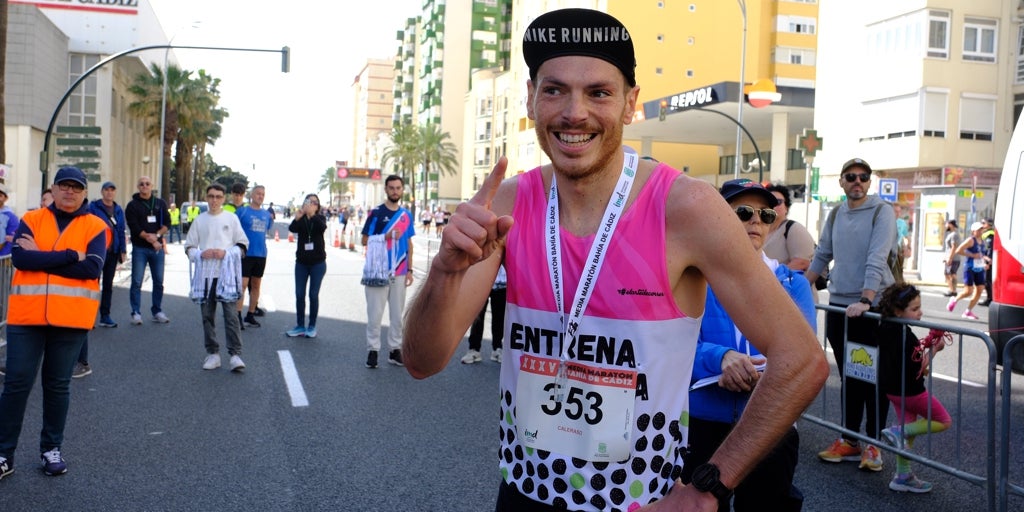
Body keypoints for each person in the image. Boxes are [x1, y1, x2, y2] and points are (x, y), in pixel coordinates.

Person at [401, 9, 828, 510]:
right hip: (525, 494)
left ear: (630, 104)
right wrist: (444, 274)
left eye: (598, 93)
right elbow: (421, 362)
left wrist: (711, 485)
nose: (574, 112)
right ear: (531, 100)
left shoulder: (684, 208)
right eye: (554, 90)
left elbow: (801, 362)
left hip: (641, 500)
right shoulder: (508, 205)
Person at [682, 179, 814, 511]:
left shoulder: (792, 283)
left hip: (769, 421)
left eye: (766, 214)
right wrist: (720, 358)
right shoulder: (691, 278)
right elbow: (673, 347)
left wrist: (753, 372)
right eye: (743, 212)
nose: (756, 221)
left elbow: (803, 356)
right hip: (701, 420)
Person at [0, 166, 108, 480]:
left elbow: (92, 268)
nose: (69, 192)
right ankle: (4, 453)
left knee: (57, 386)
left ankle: (51, 450)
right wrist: (68, 255)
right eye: (64, 186)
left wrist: (45, 257)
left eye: (76, 187)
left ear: (85, 192)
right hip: (27, 316)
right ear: (54, 188)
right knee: (17, 383)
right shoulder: (32, 219)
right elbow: (21, 259)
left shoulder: (96, 226)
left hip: (71, 320)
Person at [805, 157, 897, 472]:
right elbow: (822, 254)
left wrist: (867, 299)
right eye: (851, 177)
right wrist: (801, 289)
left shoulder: (881, 212)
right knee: (851, 376)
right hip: (841, 306)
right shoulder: (836, 213)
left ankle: (874, 444)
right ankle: (849, 440)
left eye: (863, 177)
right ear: (842, 182)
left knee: (872, 378)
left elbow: (877, 255)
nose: (857, 181)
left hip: (870, 307)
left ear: (869, 182)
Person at [876, 283, 952, 493]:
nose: (921, 312)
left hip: (893, 390)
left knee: (906, 438)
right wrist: (935, 348)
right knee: (943, 421)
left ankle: (902, 476)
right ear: (899, 311)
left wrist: (924, 347)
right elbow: (920, 365)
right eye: (915, 309)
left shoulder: (885, 325)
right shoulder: (906, 336)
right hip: (912, 392)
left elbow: (908, 358)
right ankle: (897, 431)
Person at [185, 183, 249, 372]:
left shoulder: (232, 218)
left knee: (231, 316)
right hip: (205, 276)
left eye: (218, 197)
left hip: (227, 275)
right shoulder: (199, 220)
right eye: (211, 196)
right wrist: (199, 254)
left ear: (223, 199)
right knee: (207, 316)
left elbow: (243, 244)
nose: (214, 200)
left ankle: (235, 355)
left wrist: (226, 253)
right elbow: (189, 246)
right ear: (206, 197)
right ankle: (213, 353)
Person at [360, 175, 415, 369]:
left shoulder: (406, 215)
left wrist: (409, 269)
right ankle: (373, 350)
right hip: (378, 270)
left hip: (399, 271)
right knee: (375, 314)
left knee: (397, 315)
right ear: (386, 189)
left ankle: (394, 350)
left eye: (398, 188)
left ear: (402, 190)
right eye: (391, 188)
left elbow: (409, 243)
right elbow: (365, 240)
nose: (395, 191)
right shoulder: (375, 213)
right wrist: (387, 236)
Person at [125, 176, 171, 325]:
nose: (144, 186)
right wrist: (152, 240)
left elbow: (167, 223)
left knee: (159, 281)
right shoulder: (132, 205)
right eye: (141, 184)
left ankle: (157, 311)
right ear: (138, 187)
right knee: (136, 282)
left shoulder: (160, 203)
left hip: (157, 250)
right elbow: (134, 226)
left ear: (152, 186)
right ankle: (136, 313)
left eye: (147, 184)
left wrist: (157, 236)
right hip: (140, 248)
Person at [286, 194, 327, 338]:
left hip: (318, 263)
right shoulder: (301, 219)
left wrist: (312, 214)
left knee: (313, 295)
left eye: (313, 203)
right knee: (299, 294)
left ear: (317, 205)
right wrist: (297, 217)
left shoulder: (320, 218)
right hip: (302, 263)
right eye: (307, 202)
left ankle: (311, 326)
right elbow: (292, 228)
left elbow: (322, 228)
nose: (310, 205)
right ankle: (300, 325)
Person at [235, 185, 273, 328]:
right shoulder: (242, 212)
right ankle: (237, 314)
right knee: (243, 285)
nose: (260, 196)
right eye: (258, 193)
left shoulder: (266, 215)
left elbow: (266, 230)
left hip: (261, 254)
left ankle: (250, 314)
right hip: (246, 254)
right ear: (251, 195)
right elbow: (234, 230)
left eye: (263, 194)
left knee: (256, 285)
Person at [460, 265, 506, 364]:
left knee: (499, 317)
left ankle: (497, 348)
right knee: (477, 316)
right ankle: (474, 350)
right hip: (481, 280)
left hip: (502, 282)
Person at [763, 183, 815, 271]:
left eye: (778, 202)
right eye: (769, 202)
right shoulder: (761, 230)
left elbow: (802, 262)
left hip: (785, 284)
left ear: (786, 207)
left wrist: (774, 279)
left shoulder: (794, 229)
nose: (773, 206)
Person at [946, 221, 987, 320]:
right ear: (973, 231)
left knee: (980, 290)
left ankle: (968, 311)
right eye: (978, 230)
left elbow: (981, 254)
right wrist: (972, 255)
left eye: (981, 229)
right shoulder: (970, 240)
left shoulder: (982, 241)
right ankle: (954, 300)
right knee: (968, 291)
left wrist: (986, 261)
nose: (981, 231)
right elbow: (958, 250)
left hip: (980, 268)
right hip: (970, 268)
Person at [942, 220, 961, 297]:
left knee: (951, 274)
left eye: (946, 224)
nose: (945, 226)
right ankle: (952, 290)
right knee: (948, 273)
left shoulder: (954, 235)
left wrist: (950, 258)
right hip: (950, 258)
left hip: (953, 258)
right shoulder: (951, 234)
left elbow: (954, 247)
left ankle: (953, 290)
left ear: (951, 225)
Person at [0, 185, 19, 257]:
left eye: (0, 195)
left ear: (5, 198)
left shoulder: (11, 217)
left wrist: (2, 256)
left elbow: (11, 240)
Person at [980, 218, 995, 306]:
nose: (982, 225)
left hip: (988, 261)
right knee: (987, 280)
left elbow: (990, 249)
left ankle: (990, 299)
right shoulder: (987, 234)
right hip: (986, 260)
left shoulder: (989, 235)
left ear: (988, 224)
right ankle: (989, 298)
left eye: (983, 223)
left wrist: (987, 263)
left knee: (987, 281)